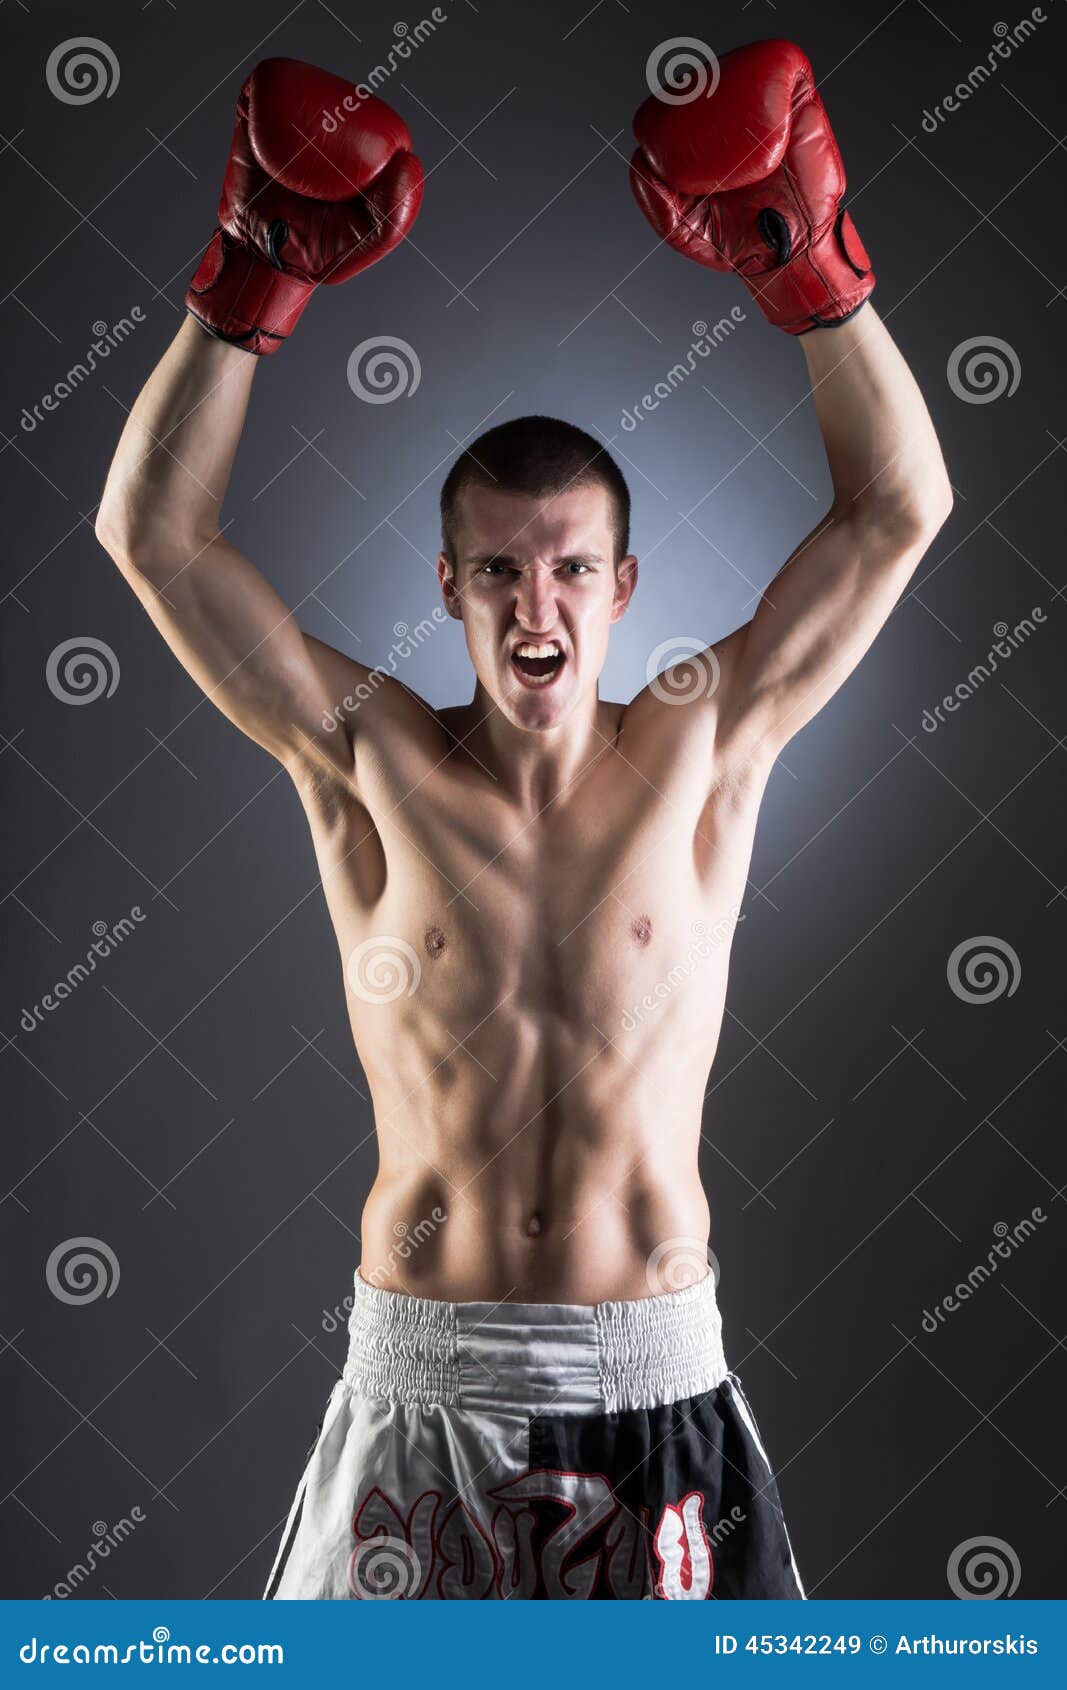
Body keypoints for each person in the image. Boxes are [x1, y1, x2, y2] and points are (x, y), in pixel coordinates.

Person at [95, 43, 952, 1600]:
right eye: (497, 569)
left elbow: (900, 509)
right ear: (449, 589)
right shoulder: (370, 760)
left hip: (655, 1386)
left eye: (568, 567)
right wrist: (247, 287)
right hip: (422, 1387)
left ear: (622, 589)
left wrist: (811, 276)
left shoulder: (706, 744)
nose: (534, 601)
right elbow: (152, 535)